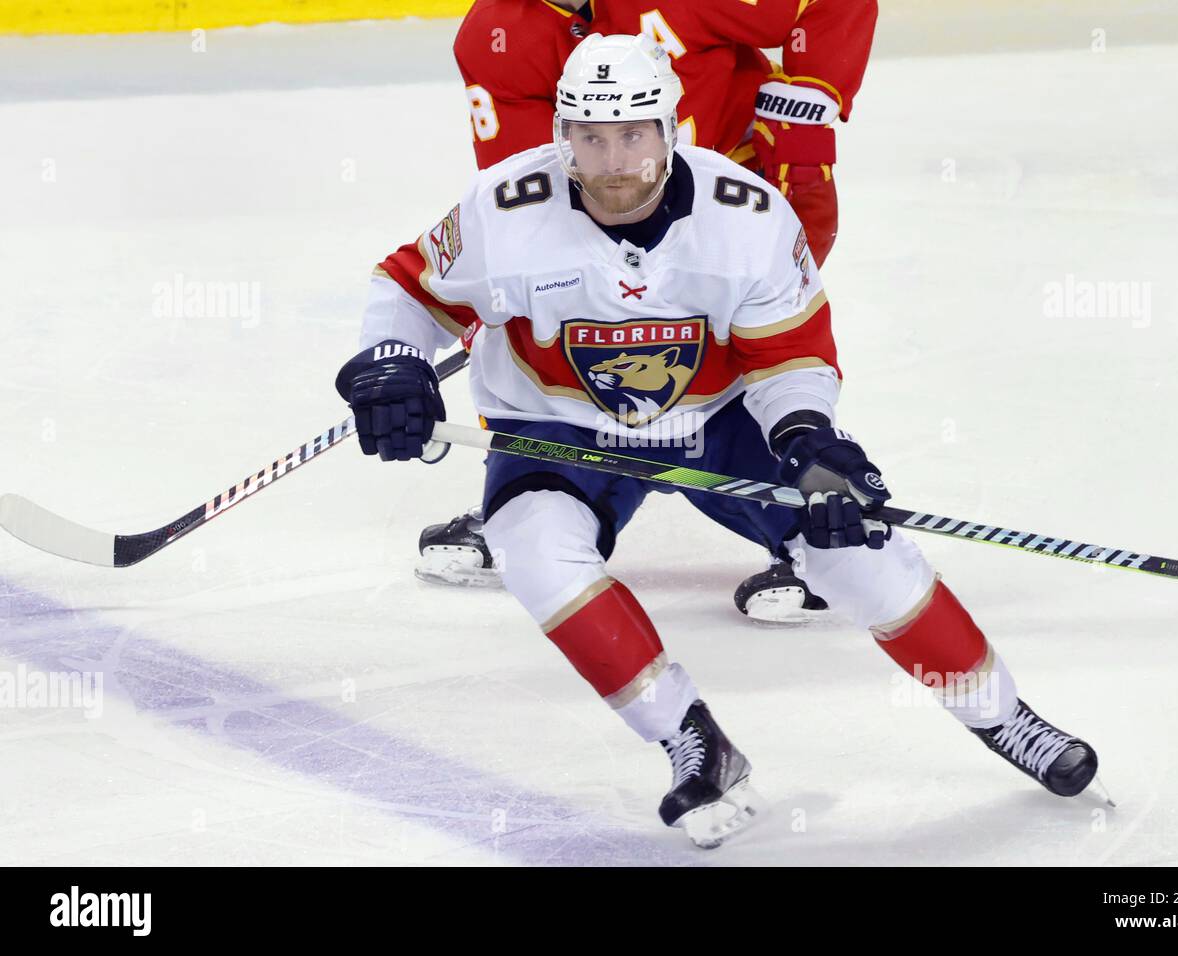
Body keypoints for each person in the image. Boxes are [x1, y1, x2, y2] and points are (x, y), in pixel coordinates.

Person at [337, 34, 1099, 848]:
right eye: (591, 138)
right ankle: (691, 742)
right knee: (529, 542)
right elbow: (410, 286)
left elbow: (791, 356)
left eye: (633, 134)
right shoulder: (506, 207)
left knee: (856, 551)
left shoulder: (748, 217)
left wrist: (808, 438)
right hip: (559, 425)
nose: (613, 161)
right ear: (564, 135)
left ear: (672, 129)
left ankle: (1005, 718)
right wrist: (394, 360)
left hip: (720, 419)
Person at [419, 0, 878, 625]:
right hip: (606, 245)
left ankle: (805, 519)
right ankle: (536, 497)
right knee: (535, 348)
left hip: (730, 235)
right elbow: (532, 201)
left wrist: (811, 98)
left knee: (746, 382)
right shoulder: (496, 35)